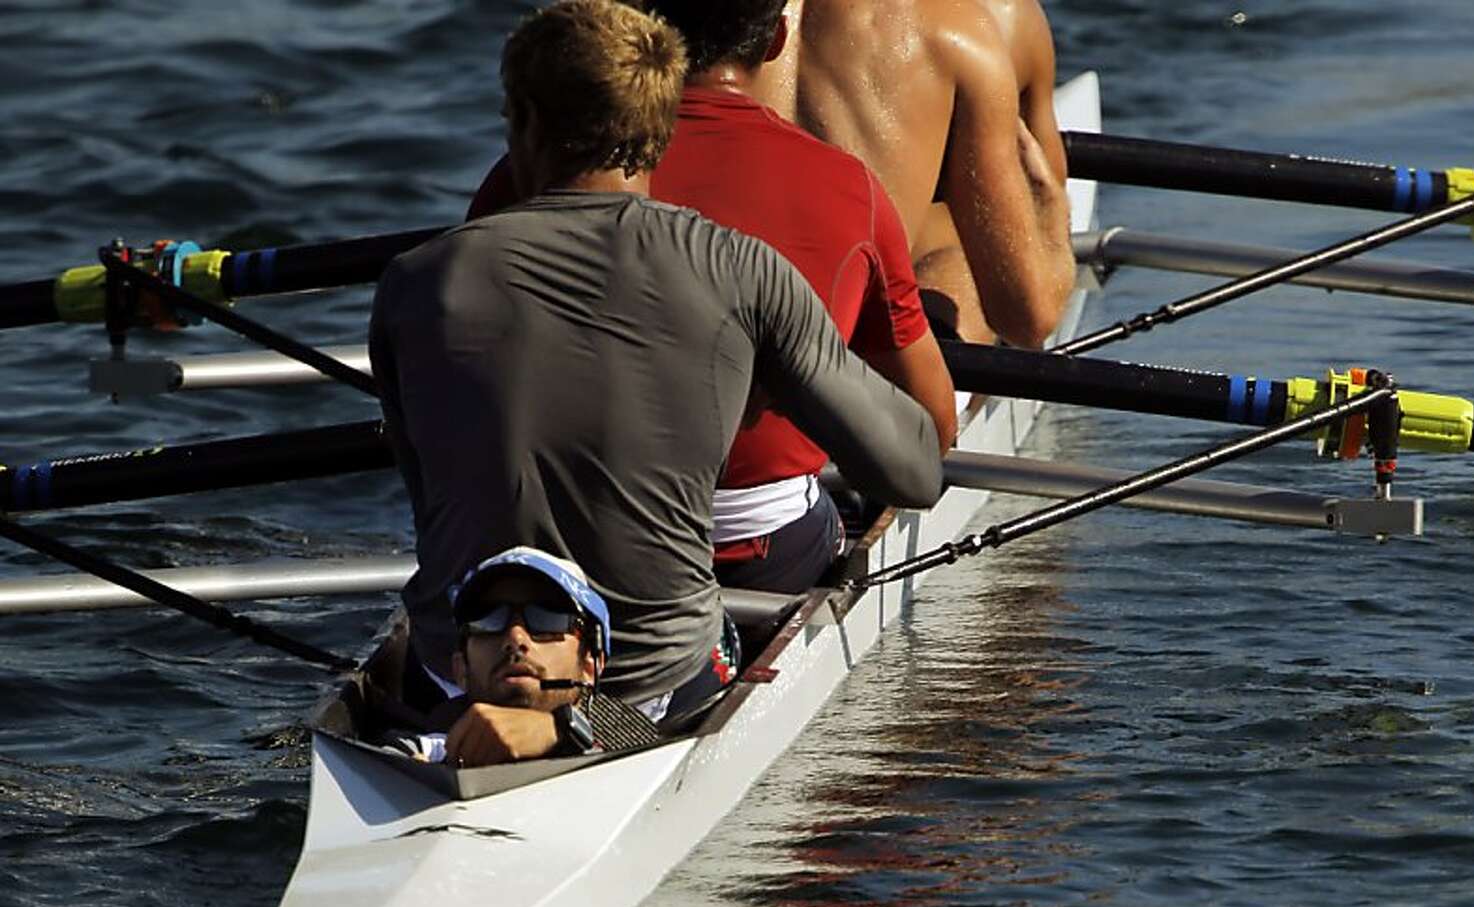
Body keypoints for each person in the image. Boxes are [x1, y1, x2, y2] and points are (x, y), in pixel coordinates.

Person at [370, 0, 943, 713]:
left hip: (460, 667)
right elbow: (914, 471)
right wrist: (766, 372)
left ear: (525, 123)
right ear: (658, 125)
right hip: (649, 682)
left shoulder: (415, 283)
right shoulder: (741, 270)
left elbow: (429, 490)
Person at [468, 0, 960, 593]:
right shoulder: (850, 186)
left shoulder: (536, 174)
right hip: (757, 546)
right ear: (778, 40)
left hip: (559, 539)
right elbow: (934, 427)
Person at [768, 0, 1076, 347]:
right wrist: (1052, 213)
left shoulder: (729, 19)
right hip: (853, 350)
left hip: (732, 312)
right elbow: (1028, 319)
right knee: (955, 268)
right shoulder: (985, 24)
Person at [393, 547, 618, 767]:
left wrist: (562, 730)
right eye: (487, 620)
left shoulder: (631, 754)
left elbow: (635, 738)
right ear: (461, 668)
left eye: (546, 619)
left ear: (590, 665)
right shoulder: (422, 754)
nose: (515, 638)